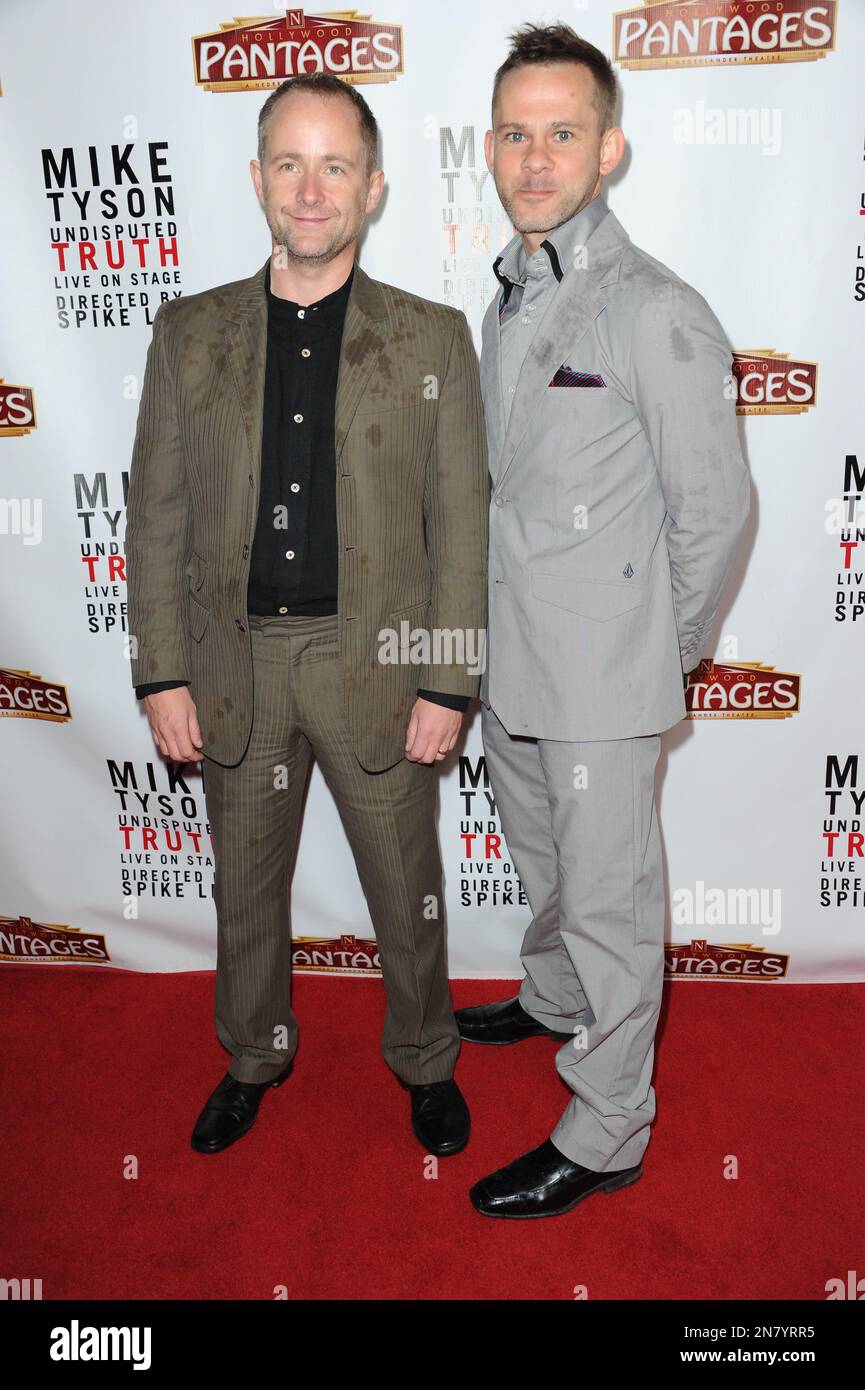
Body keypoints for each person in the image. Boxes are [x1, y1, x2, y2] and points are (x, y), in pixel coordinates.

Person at [125, 73, 488, 1158]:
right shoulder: (187, 333)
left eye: (336, 164)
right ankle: (252, 1052)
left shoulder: (432, 339)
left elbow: (459, 523)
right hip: (234, 661)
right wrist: (161, 671)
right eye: (290, 162)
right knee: (245, 892)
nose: (312, 187)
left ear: (373, 187)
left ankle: (425, 1057)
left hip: (376, 659)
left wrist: (447, 679)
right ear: (256, 179)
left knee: (405, 885)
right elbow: (157, 514)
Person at [456, 22, 751, 1218]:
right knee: (548, 872)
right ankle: (553, 998)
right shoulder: (508, 295)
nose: (537, 158)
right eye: (517, 135)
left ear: (610, 148)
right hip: (510, 662)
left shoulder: (657, 308)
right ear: (488, 147)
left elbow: (717, 514)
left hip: (603, 681)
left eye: (562, 133)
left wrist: (652, 661)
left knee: (611, 902)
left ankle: (611, 1122)